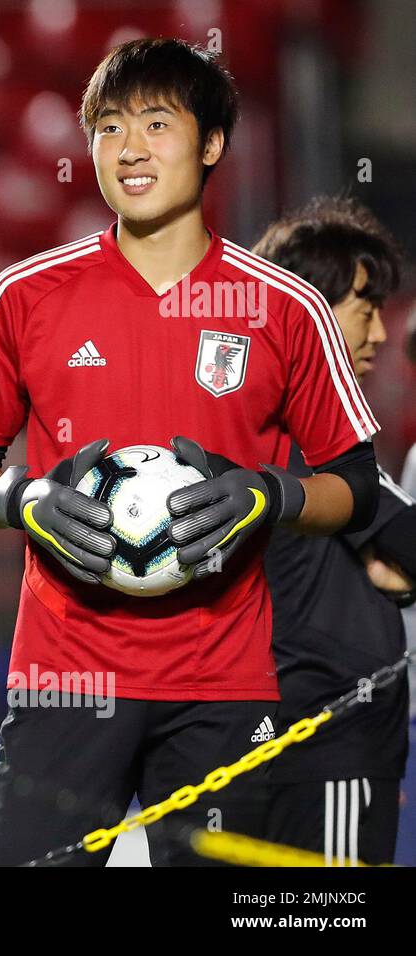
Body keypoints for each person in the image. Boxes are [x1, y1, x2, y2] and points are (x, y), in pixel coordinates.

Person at [0, 39, 380, 866]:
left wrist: (268, 496)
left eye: (156, 122)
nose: (129, 147)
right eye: (107, 127)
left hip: (224, 685)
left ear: (212, 144)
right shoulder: (28, 295)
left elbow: (353, 484)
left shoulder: (283, 308)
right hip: (65, 676)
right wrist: (20, 499)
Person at [252, 197, 413, 864]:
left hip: (271, 743)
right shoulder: (317, 436)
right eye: (364, 310)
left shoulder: (249, 417)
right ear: (309, 312)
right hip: (326, 749)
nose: (379, 334)